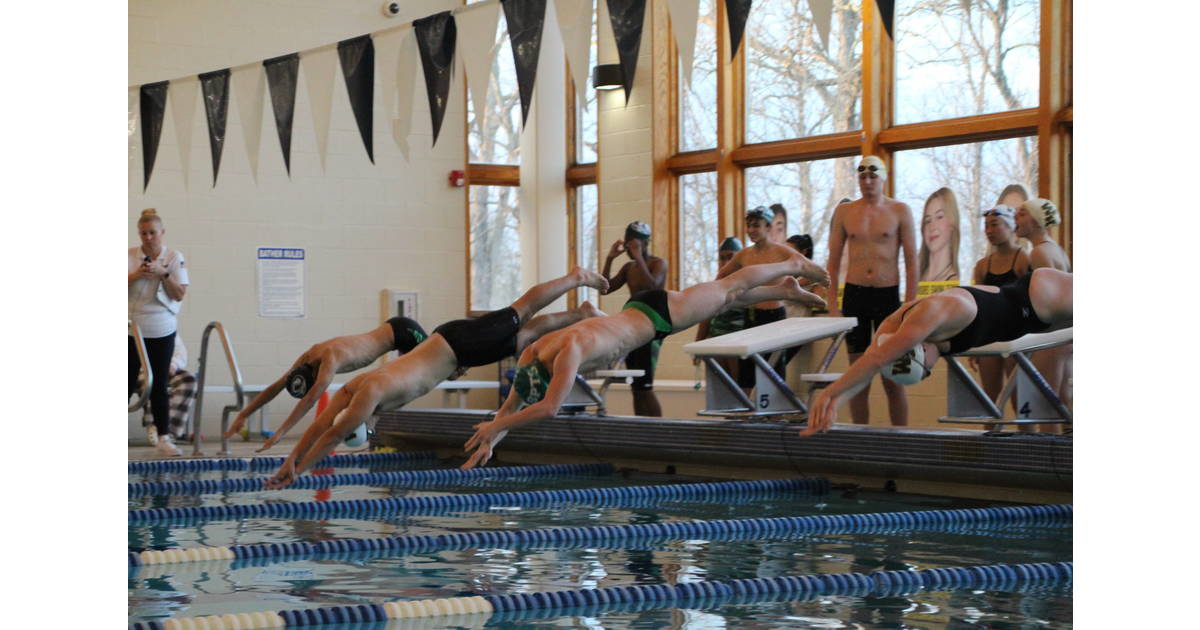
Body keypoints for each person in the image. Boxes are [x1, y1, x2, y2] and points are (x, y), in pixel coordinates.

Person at [462, 257, 831, 469]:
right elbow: (514, 403)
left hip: (659, 315)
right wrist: (492, 436)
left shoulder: (570, 350)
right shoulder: (534, 353)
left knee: (728, 288)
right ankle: (784, 289)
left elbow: (549, 407)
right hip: (640, 313)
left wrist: (499, 425)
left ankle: (792, 264)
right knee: (725, 301)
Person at [264, 267, 609, 488]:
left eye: (362, 426)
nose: (367, 426)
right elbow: (320, 425)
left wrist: (296, 472)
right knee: (521, 337)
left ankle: (576, 278)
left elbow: (331, 435)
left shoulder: (367, 396)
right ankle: (580, 313)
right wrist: (292, 458)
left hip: (460, 346)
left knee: (522, 311)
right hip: (452, 344)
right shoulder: (355, 387)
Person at [800, 268, 1072, 437]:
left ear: (919, 347)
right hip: (1036, 319)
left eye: (926, 370)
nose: (931, 370)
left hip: (1043, 296)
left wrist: (829, 392)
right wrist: (833, 405)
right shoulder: (891, 331)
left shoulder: (934, 313)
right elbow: (871, 367)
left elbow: (878, 359)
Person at [222, 315, 432, 449]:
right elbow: (275, 387)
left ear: (313, 377)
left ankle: (372, 422)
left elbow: (310, 400)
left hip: (404, 332)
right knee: (398, 386)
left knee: (437, 372)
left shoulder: (329, 358)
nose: (317, 385)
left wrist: (280, 433)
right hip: (394, 332)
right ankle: (371, 422)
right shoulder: (307, 357)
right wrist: (243, 414)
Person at [827, 156, 918, 428]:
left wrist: (909, 306)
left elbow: (912, 262)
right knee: (858, 376)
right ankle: (859, 436)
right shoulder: (845, 212)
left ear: (883, 177)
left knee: (893, 376)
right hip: (855, 297)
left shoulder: (900, 210)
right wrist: (833, 307)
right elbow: (832, 264)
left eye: (872, 176)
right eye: (862, 176)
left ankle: (902, 438)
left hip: (887, 297)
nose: (867, 182)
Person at [695, 206, 807, 393]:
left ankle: (776, 410)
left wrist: (804, 286)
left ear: (768, 227)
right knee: (746, 378)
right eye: (748, 226)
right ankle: (746, 409)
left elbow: (809, 268)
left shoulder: (782, 252)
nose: (751, 230)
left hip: (774, 318)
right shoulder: (744, 254)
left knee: (774, 376)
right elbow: (719, 279)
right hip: (751, 317)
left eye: (756, 225)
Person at [129, 209, 190, 456]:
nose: (148, 238)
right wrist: (136, 275)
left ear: (162, 233)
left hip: (161, 328)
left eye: (152, 233)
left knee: (159, 384)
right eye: (143, 233)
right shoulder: (128, 256)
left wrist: (162, 273)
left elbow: (180, 294)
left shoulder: (174, 257)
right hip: (132, 328)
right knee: (124, 380)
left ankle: (164, 436)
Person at [600, 221, 668, 416]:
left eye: (634, 244)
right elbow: (605, 288)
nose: (629, 249)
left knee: (645, 386)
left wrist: (638, 257)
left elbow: (652, 287)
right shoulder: (628, 268)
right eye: (628, 244)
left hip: (652, 328)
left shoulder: (658, 263)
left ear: (645, 244)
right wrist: (609, 259)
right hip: (633, 328)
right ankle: (642, 427)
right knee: (636, 387)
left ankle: (658, 429)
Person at [1015, 198, 1072, 427]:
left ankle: (1048, 449)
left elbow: (1046, 298)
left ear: (1037, 221)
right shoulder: (1057, 249)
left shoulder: (1038, 253)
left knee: (1043, 404)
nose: (1016, 219)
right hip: (1064, 335)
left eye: (1022, 214)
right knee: (1060, 403)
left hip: (1051, 335)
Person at [969, 206, 1031, 411]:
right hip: (991, 335)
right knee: (990, 400)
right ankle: (991, 432)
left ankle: (1027, 433)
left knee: (1020, 400)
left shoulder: (1023, 259)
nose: (989, 231)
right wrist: (974, 342)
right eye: (986, 226)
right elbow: (977, 308)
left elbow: (1032, 302)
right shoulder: (982, 266)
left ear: (1010, 226)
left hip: (1017, 336)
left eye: (994, 225)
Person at [704, 237, 747, 382]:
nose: (725, 263)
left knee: (737, 386)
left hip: (738, 342)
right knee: (719, 387)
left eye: (730, 257)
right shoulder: (716, 284)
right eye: (722, 258)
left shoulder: (749, 282)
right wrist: (699, 341)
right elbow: (705, 315)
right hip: (716, 340)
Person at [918, 187, 961, 282]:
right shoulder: (916, 276)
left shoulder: (952, 282)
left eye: (939, 217)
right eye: (927, 221)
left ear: (952, 222)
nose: (932, 227)